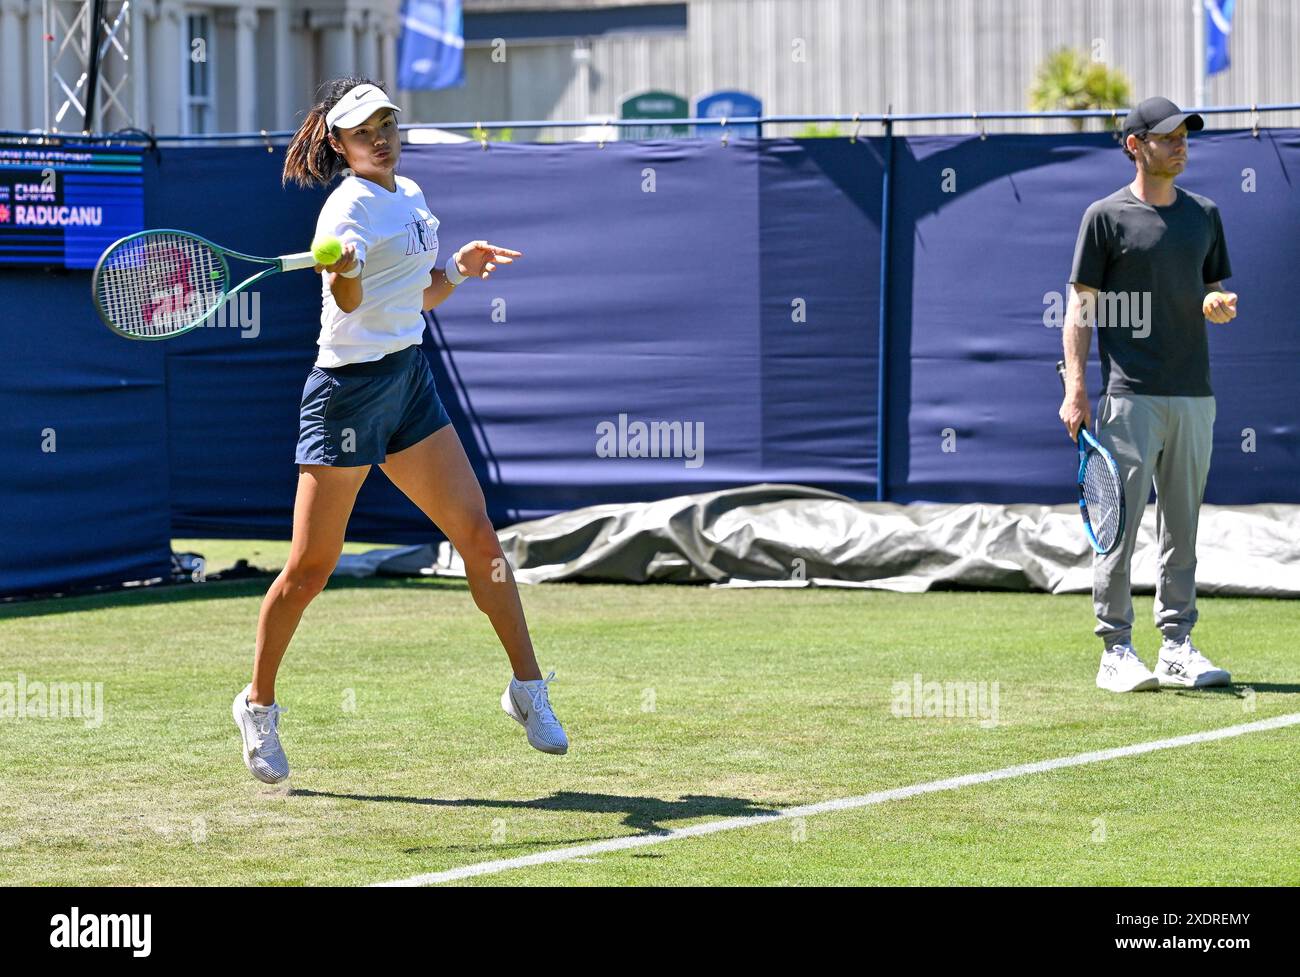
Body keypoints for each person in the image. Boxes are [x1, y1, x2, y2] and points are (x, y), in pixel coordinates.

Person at [232, 77, 568, 783]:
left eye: (385, 122)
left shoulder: (409, 196)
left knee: (478, 537)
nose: (379, 137)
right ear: (339, 144)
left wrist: (458, 270)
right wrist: (346, 271)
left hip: (408, 382)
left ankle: (527, 688)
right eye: (362, 131)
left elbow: (416, 295)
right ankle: (257, 704)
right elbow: (350, 300)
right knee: (310, 569)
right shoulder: (343, 210)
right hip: (347, 393)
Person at [1059, 96, 1237, 693]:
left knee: (1181, 529)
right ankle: (1115, 650)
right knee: (1118, 528)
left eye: (1186, 134)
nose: (1181, 143)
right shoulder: (1104, 218)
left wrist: (1215, 302)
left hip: (1195, 397)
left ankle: (1177, 647)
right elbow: (1080, 308)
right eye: (1168, 136)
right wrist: (1076, 388)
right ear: (1136, 146)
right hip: (1129, 397)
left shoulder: (1205, 214)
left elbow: (1209, 287)